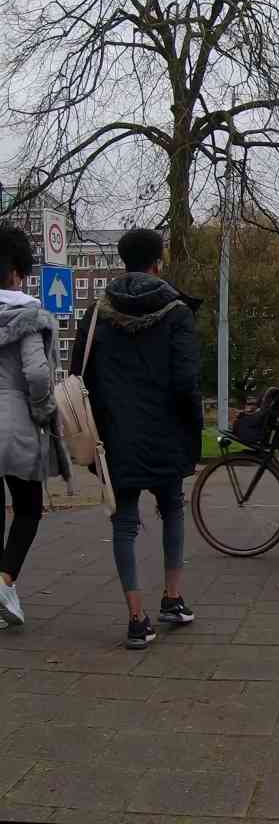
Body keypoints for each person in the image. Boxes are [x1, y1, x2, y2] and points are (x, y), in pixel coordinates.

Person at [71, 228, 203, 650]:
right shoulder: (178, 312)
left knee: (124, 522)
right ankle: (173, 598)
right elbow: (187, 382)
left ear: (122, 261)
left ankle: (135, 619)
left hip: (116, 435)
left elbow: (79, 375)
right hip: (166, 432)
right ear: (158, 262)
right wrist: (191, 432)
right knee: (173, 512)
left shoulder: (95, 314)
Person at [0, 226, 71, 628]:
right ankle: (5, 579)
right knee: (28, 509)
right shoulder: (28, 315)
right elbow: (38, 374)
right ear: (16, 273)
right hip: (14, 425)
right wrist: (43, 410)